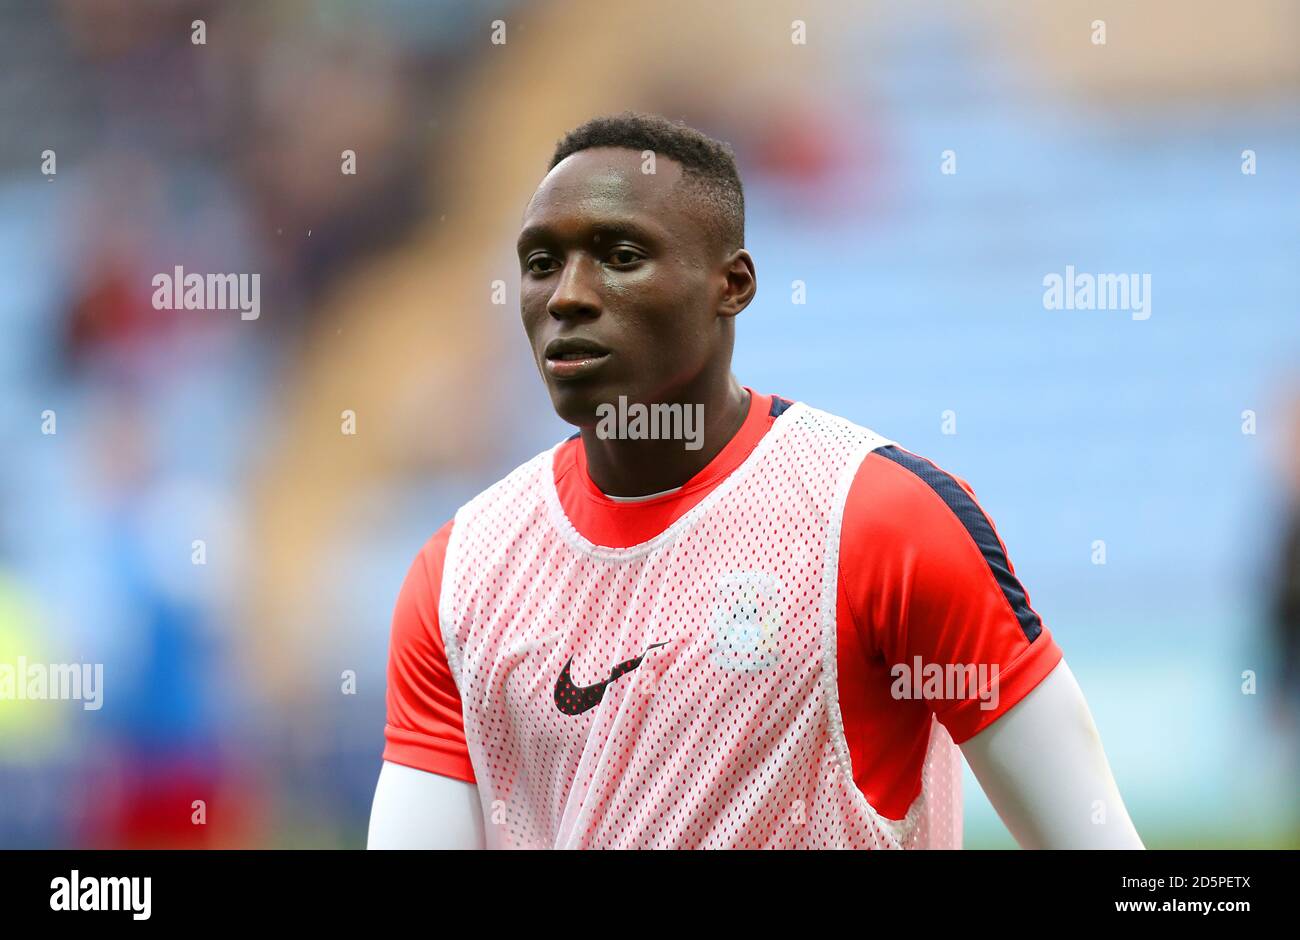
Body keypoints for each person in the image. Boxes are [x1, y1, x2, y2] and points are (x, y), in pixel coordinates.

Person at [367, 112, 1143, 849]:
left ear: (731, 285)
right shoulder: (460, 574)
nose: (566, 295)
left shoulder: (881, 523)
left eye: (621, 255)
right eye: (541, 264)